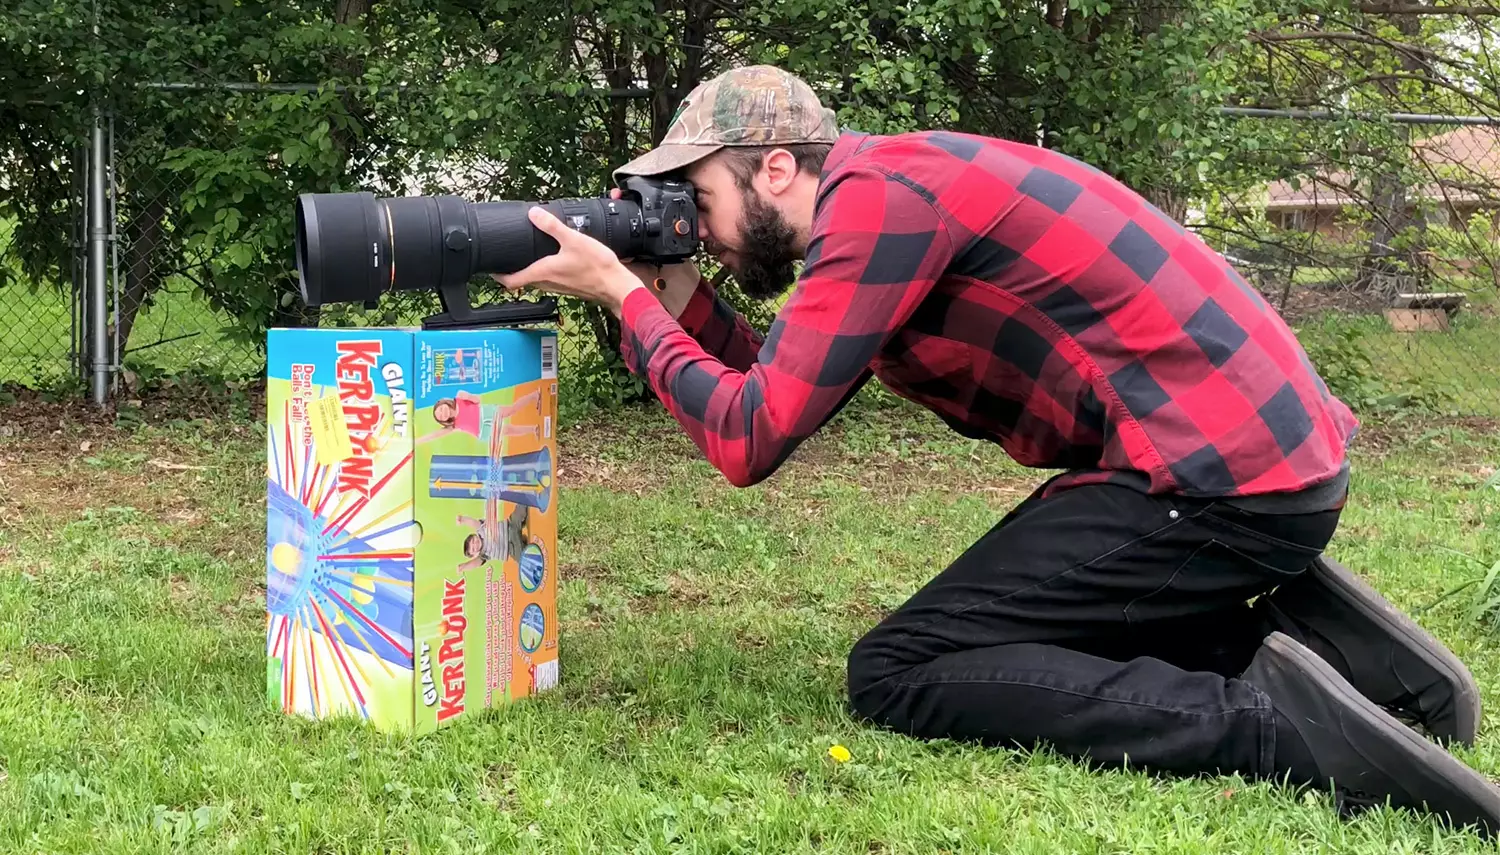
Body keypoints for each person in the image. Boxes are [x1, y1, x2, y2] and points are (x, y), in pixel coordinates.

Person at [492, 65, 1499, 835]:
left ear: (779, 168)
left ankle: (1278, 726)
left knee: (902, 670)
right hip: (1246, 474)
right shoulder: (886, 198)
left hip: (1213, 485)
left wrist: (625, 298)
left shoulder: (879, 208)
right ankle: (1357, 668)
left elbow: (749, 441)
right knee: (1001, 627)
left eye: (697, 198)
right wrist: (682, 306)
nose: (692, 229)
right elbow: (780, 390)